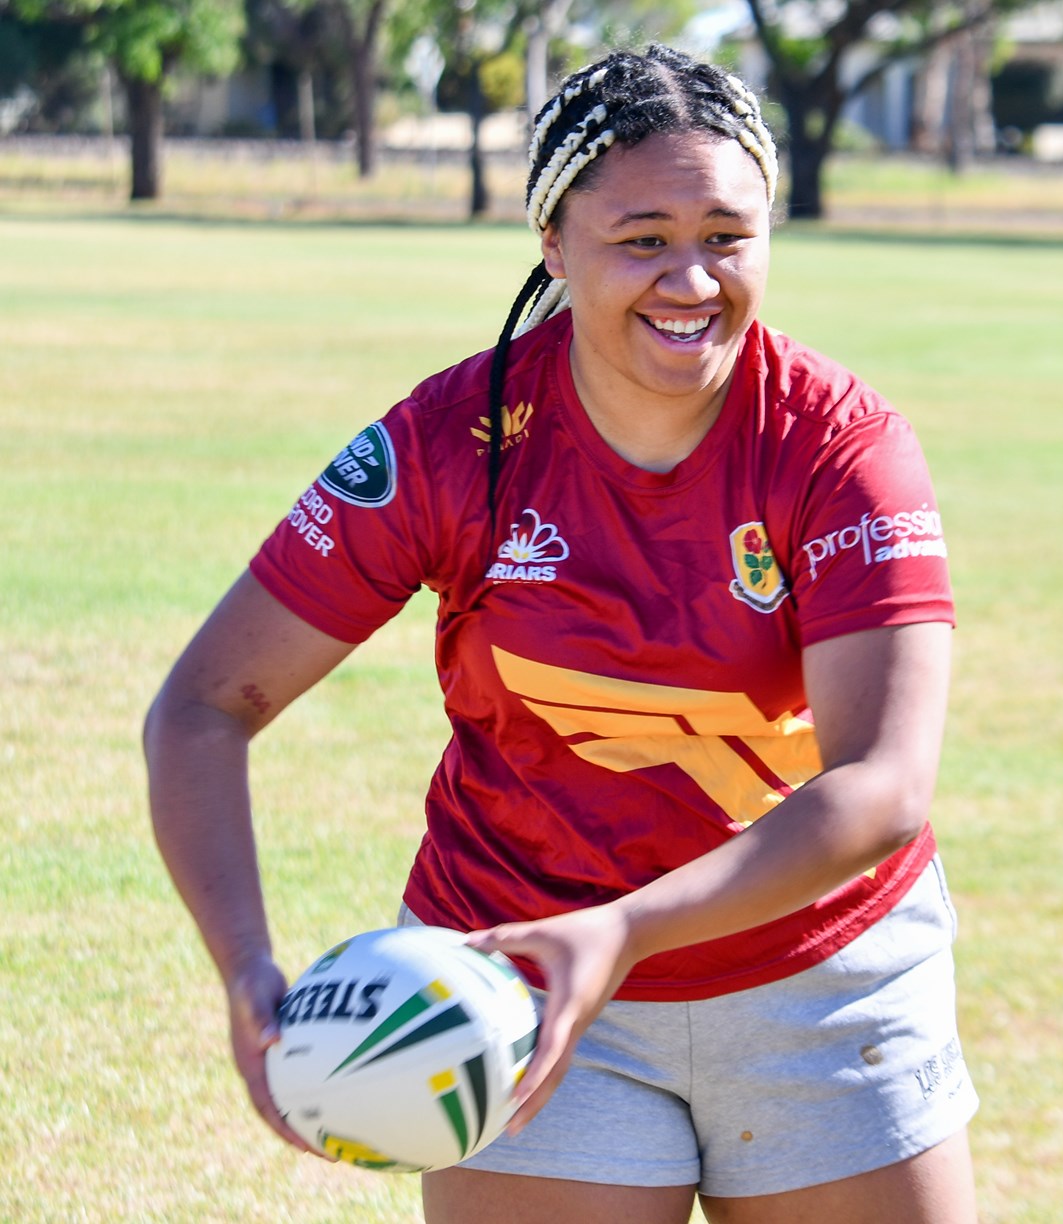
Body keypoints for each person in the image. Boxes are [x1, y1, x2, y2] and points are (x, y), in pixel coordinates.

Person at [145, 44, 979, 1224]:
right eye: (643, 239)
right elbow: (203, 706)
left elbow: (883, 785)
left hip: (821, 979)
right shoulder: (450, 442)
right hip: (514, 987)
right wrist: (246, 970)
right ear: (553, 242)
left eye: (727, 236)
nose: (691, 278)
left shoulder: (838, 444)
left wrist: (626, 930)